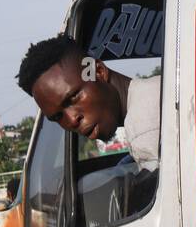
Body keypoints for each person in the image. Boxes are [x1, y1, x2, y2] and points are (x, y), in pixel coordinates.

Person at [15, 33, 160, 170]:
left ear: (99, 72)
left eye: (73, 97)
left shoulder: (144, 125)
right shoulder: (157, 89)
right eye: (58, 117)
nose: (72, 120)